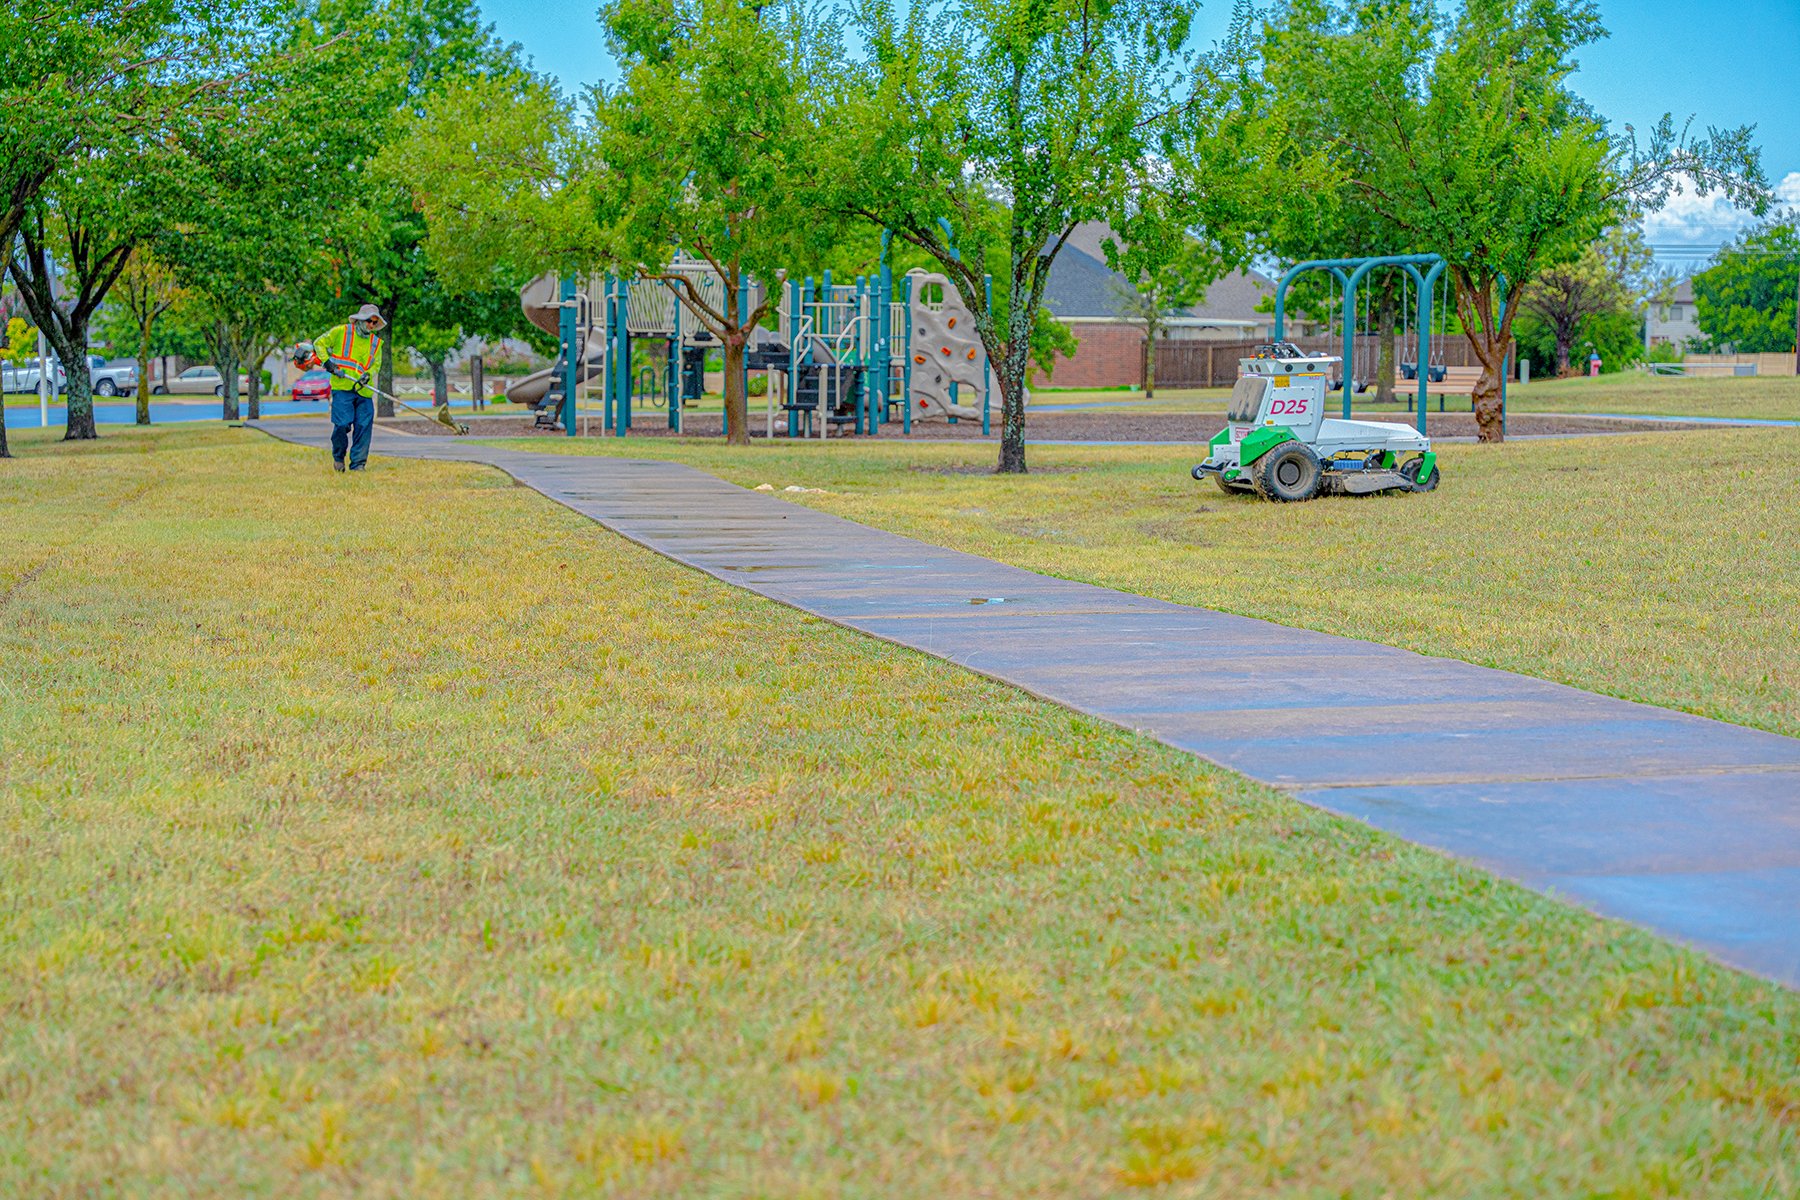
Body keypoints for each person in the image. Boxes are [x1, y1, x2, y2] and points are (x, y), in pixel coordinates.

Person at [303, 304, 387, 472]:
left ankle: (358, 464)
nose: (371, 326)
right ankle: (339, 457)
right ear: (360, 320)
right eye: (369, 321)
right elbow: (319, 343)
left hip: (364, 391)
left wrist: (368, 375)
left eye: (374, 323)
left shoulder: (376, 343)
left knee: (364, 427)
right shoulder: (341, 332)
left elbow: (376, 365)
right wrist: (329, 364)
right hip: (342, 389)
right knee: (342, 425)